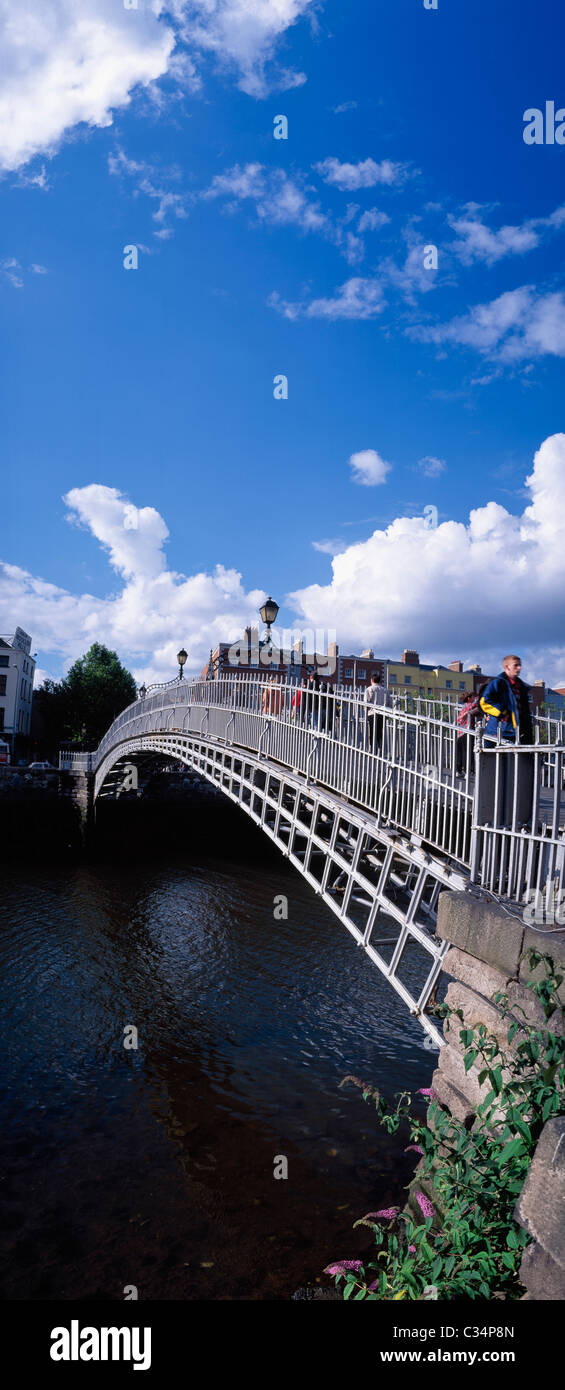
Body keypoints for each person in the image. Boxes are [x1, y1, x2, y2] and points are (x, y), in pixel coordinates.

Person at [479, 655, 533, 745]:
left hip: (517, 731)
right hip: (498, 730)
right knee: (496, 758)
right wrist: (502, 712)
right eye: (516, 665)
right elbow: (484, 701)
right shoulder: (497, 682)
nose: (519, 668)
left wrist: (528, 734)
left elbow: (525, 711)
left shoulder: (521, 686)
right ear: (507, 667)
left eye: (520, 665)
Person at [364, 672, 390, 751]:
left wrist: (366, 711)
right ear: (379, 681)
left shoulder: (369, 689)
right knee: (379, 731)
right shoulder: (385, 690)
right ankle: (379, 748)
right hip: (382, 713)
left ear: (372, 680)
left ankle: (372, 748)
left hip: (372, 713)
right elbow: (390, 703)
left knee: (372, 731)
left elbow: (366, 703)